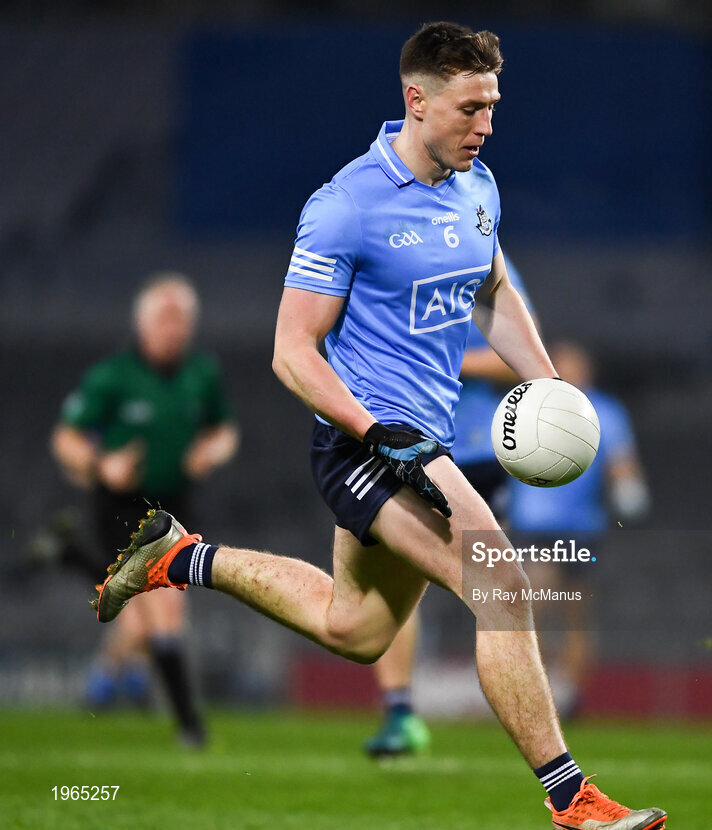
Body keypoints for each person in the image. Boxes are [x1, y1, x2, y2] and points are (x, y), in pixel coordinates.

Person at [91, 23, 666, 829]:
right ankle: (572, 799)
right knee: (500, 583)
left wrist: (548, 384)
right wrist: (372, 428)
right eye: (471, 107)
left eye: (494, 105)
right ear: (416, 99)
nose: (487, 124)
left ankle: (184, 556)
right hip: (366, 444)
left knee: (355, 630)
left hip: (426, 441)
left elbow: (492, 293)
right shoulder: (345, 205)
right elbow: (291, 354)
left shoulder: (478, 189)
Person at [51, 272, 239, 745]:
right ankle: (189, 724)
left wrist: (211, 451)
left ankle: (109, 673)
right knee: (166, 602)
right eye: (164, 319)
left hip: (175, 504)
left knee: (141, 611)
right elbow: (66, 438)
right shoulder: (112, 376)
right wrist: (101, 463)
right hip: (120, 505)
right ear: (143, 324)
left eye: (182, 320)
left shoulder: (202, 373)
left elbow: (224, 430)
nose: (174, 329)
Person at [362, 258, 529, 758]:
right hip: (405, 446)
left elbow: (515, 356)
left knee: (494, 588)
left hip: (477, 452)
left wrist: (447, 364)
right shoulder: (382, 259)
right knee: (394, 582)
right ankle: (399, 713)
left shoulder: (484, 260)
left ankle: (517, 712)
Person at [509, 340, 650, 720]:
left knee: (576, 616)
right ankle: (535, 693)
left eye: (576, 367)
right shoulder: (527, 405)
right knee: (533, 607)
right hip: (534, 525)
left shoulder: (606, 411)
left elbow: (621, 462)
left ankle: (568, 695)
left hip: (582, 529)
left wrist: (627, 487)